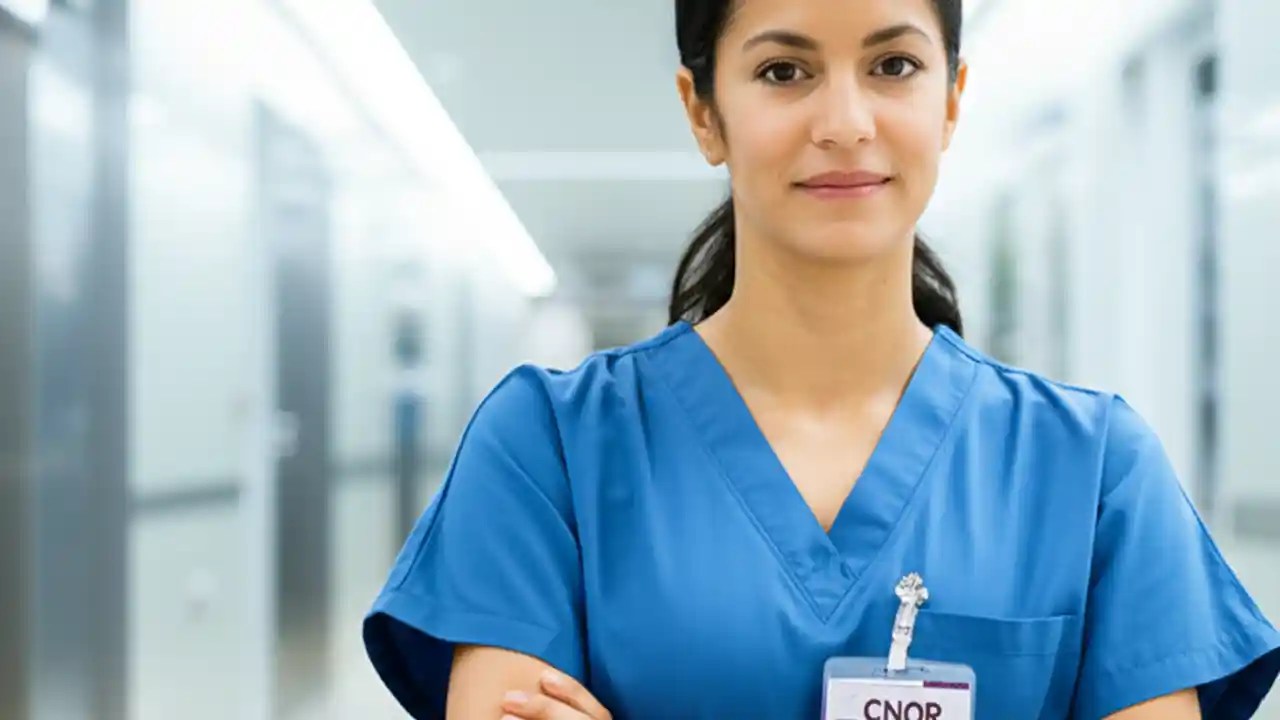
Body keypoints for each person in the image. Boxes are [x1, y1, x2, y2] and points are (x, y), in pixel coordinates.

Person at [361, 0, 1280, 716]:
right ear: (703, 110)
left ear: (952, 98)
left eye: (893, 65)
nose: (844, 121)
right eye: (784, 69)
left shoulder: (1096, 469)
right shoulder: (545, 450)